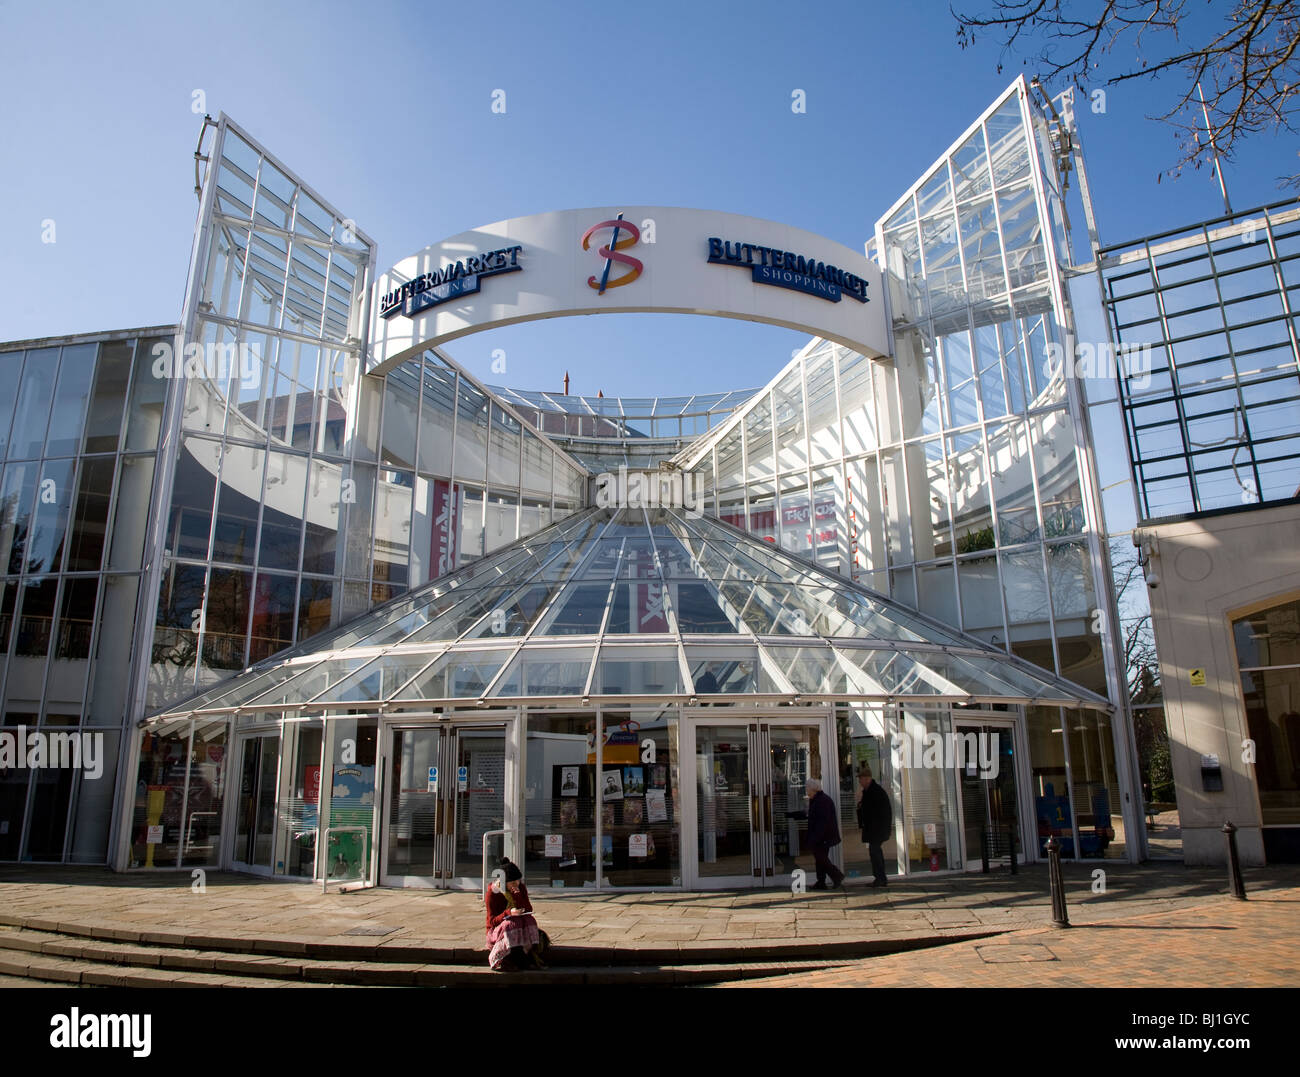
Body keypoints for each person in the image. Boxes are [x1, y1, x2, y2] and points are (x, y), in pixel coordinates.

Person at [485, 857, 546, 971]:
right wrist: (508, 912)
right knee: (511, 923)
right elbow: (492, 921)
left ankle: (526, 957)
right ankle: (507, 959)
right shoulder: (493, 893)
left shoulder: (520, 887)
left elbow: (528, 908)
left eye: (517, 881)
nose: (516, 884)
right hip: (497, 932)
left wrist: (517, 897)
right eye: (512, 883)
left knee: (529, 920)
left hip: (518, 926)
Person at [802, 777, 844, 890]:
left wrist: (815, 838)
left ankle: (837, 875)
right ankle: (821, 881)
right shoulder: (816, 799)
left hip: (823, 836)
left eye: (807, 788)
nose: (806, 791)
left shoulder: (822, 801)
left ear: (813, 789)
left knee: (821, 858)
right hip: (821, 836)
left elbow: (823, 822)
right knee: (820, 858)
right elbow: (811, 816)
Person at [856, 766, 892, 888]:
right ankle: (880, 878)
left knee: (875, 853)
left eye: (861, 779)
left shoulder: (875, 791)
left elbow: (876, 812)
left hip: (877, 829)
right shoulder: (869, 791)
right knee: (875, 852)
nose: (859, 781)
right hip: (875, 829)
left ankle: (880, 878)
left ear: (867, 779)